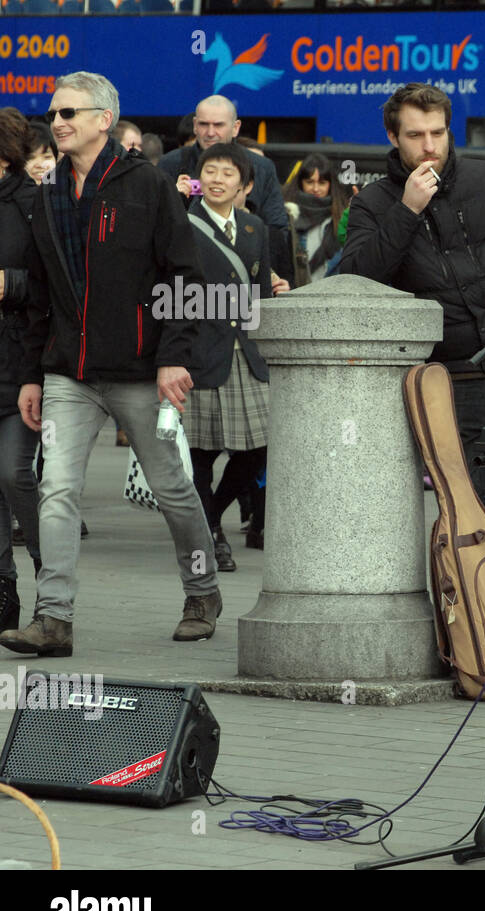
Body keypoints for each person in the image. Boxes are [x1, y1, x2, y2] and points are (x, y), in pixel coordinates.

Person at [0, 71, 220, 658]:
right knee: (57, 490)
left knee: (174, 489)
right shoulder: (45, 195)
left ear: (104, 119)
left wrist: (174, 359)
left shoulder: (147, 185)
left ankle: (202, 591)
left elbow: (185, 279)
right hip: (67, 371)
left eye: (70, 112)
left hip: (141, 370)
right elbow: (42, 296)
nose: (58, 122)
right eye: (54, 113)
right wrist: (30, 373)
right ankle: (54, 618)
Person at [338, 82, 485, 604]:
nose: (430, 146)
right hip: (452, 382)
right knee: (478, 512)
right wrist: (408, 210)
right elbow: (356, 280)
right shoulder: (375, 202)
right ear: (393, 137)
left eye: (438, 132)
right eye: (416, 135)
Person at [184, 142, 283, 571]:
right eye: (210, 170)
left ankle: (211, 517)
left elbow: (260, 293)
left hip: (248, 354)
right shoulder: (180, 224)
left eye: (228, 172)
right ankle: (213, 537)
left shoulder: (255, 228)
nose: (217, 179)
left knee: (260, 448)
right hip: (200, 352)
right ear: (198, 177)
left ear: (245, 184)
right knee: (200, 455)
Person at [159, 96, 291, 280]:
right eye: (204, 124)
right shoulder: (170, 164)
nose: (210, 132)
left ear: (235, 127)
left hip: (244, 280)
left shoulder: (261, 167)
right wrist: (174, 198)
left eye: (219, 125)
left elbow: (277, 230)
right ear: (195, 125)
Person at [0, 108, 43, 632]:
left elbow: (55, 283)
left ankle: (49, 582)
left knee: (13, 471)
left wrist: (10, 284)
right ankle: (4, 592)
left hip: (19, 357)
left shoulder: (34, 203)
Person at [283, 153, 348, 286]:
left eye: (322, 183)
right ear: (301, 183)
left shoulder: (342, 217)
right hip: (294, 294)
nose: (316, 189)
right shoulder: (287, 215)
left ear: (330, 185)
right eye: (310, 182)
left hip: (333, 296)